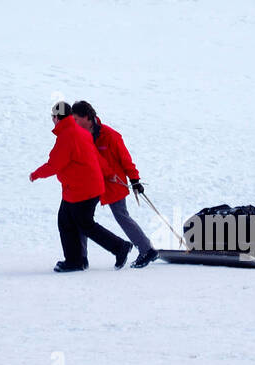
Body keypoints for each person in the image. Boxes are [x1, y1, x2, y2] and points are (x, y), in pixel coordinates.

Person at [30, 101, 133, 272]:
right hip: (80, 188)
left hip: (82, 190)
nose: (52, 120)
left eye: (52, 117)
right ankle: (76, 260)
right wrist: (108, 173)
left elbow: (54, 164)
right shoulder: (80, 132)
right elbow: (96, 158)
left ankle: (118, 247)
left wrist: (35, 174)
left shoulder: (67, 136)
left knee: (84, 224)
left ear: (57, 117)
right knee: (67, 221)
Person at [71, 100, 159, 268]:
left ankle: (147, 250)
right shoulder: (78, 135)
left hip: (113, 183)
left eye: (76, 119)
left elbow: (126, 160)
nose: (73, 122)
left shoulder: (111, 136)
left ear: (87, 118)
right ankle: (80, 258)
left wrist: (135, 180)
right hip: (90, 185)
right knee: (81, 218)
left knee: (121, 215)